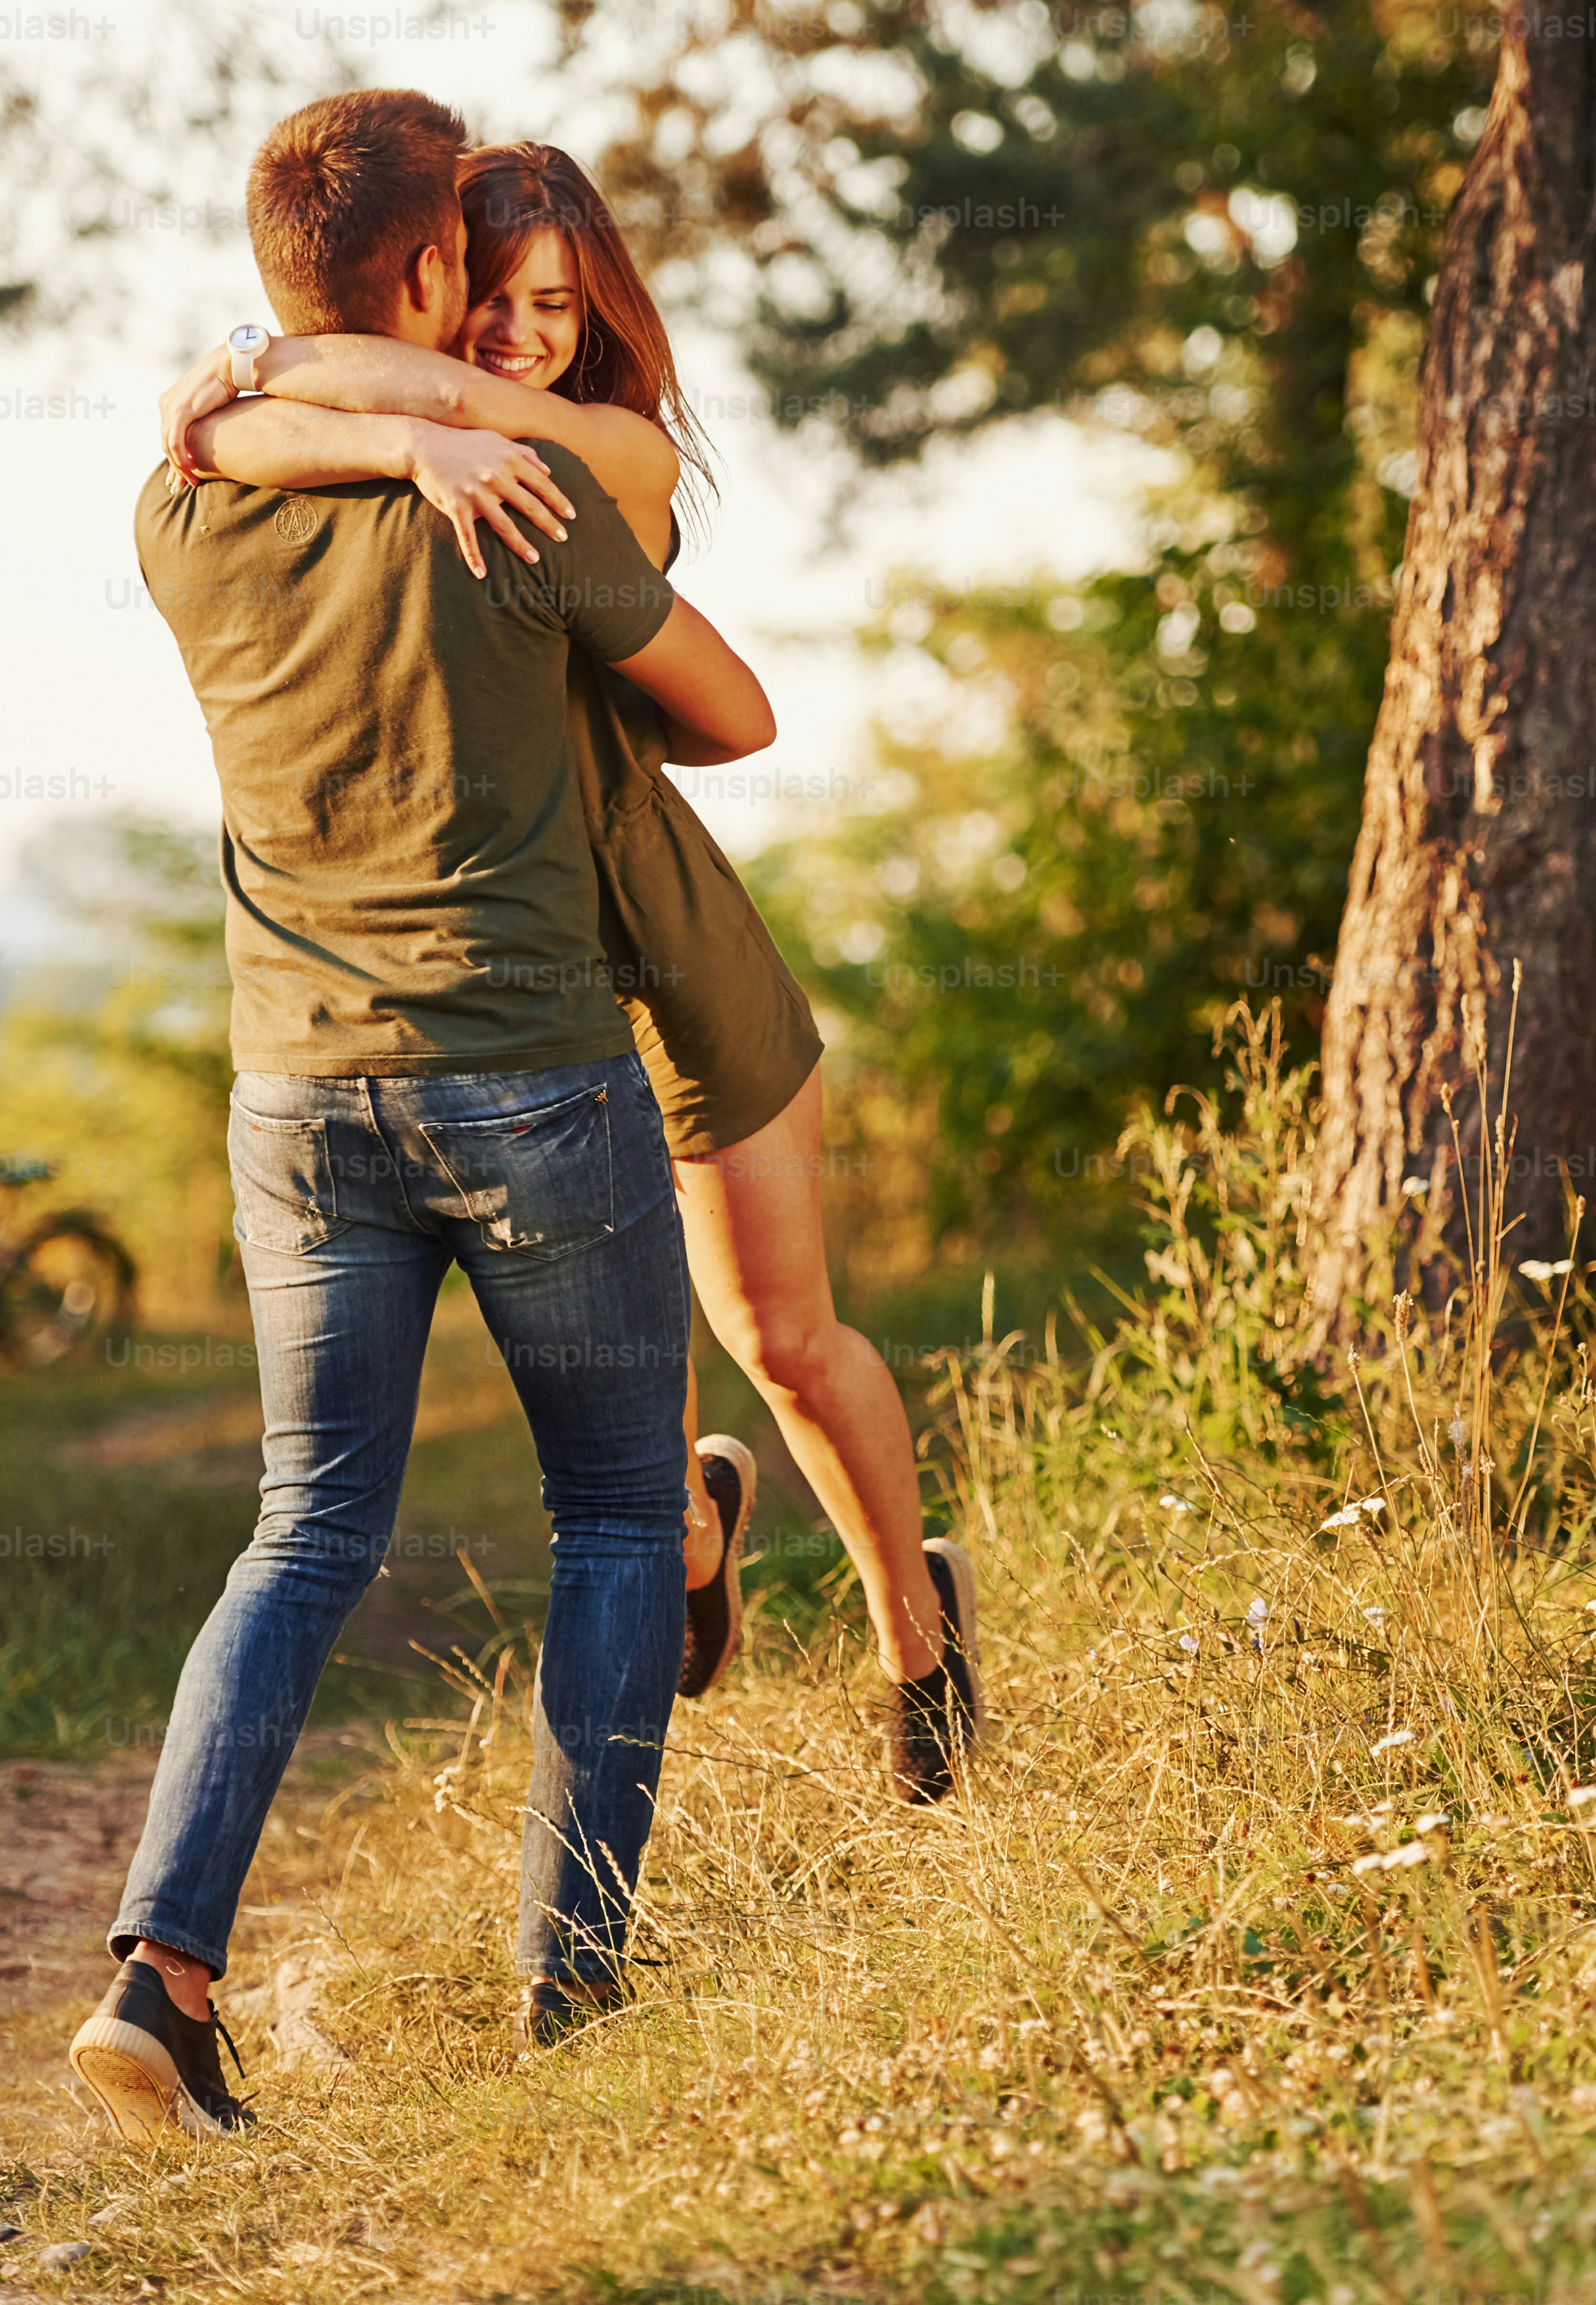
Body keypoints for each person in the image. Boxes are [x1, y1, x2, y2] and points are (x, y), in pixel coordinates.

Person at [73, 88, 779, 2138]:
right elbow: (738, 716)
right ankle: (575, 1984)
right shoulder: (524, 502)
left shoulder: (182, 510)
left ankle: (160, 1978)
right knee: (624, 1514)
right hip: (532, 1075)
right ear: (431, 272)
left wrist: (317, 403)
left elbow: (225, 421)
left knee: (307, 1528)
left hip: (298, 1094)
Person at [150, 141, 983, 1808]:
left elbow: (288, 413)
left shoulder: (607, 460)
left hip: (663, 939)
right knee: (624, 1441)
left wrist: (268, 368)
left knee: (784, 1336)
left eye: (561, 307)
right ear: (434, 287)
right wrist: (274, 395)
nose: (522, 335)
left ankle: (922, 1641)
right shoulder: (400, 460)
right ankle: (694, 1530)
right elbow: (223, 438)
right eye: (497, 296)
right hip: (512, 991)